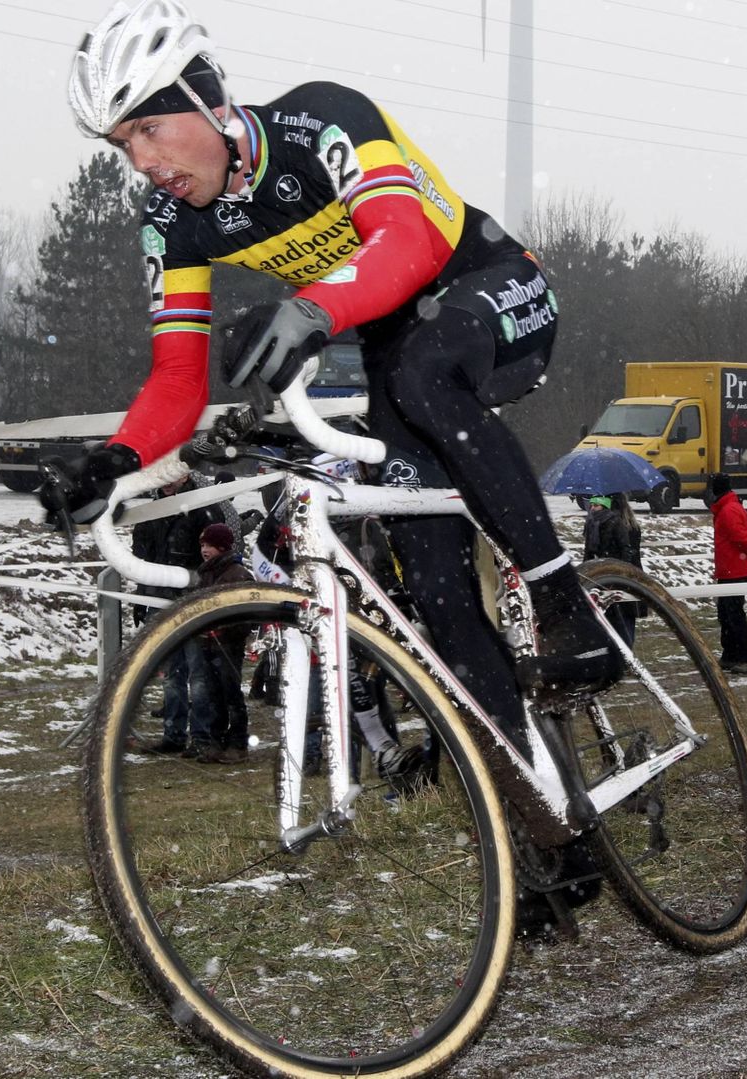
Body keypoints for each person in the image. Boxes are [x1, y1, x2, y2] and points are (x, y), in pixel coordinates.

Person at [47, 0, 616, 770]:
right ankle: (538, 814)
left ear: (207, 98)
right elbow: (179, 376)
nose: (141, 161)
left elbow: (406, 238)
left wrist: (311, 308)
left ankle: (564, 602)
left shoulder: (321, 121)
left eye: (148, 129)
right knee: (438, 589)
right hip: (393, 340)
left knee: (422, 374)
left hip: (487, 283)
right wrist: (117, 460)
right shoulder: (170, 221)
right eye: (123, 145)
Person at [129, 475, 226, 757]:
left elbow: (216, 556)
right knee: (172, 673)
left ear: (185, 474)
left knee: (198, 673)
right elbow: (143, 555)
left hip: (193, 600)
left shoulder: (203, 506)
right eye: (162, 477)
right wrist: (141, 594)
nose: (167, 482)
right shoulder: (153, 508)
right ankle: (173, 734)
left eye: (173, 476)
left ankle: (201, 736)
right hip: (159, 598)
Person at [191, 520, 254, 762]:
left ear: (223, 547)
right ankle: (216, 742)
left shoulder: (238, 575)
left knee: (231, 694)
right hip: (206, 643)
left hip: (228, 646)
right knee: (212, 695)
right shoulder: (205, 573)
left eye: (210, 545)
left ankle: (238, 744)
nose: (205, 550)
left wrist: (225, 630)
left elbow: (247, 615)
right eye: (203, 544)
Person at [709, 473, 747, 675]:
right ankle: (731, 654)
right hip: (731, 568)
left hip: (733, 570)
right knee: (727, 614)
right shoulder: (730, 507)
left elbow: (741, 537)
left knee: (733, 615)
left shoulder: (728, 510)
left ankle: (745, 656)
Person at [581, 493, 642, 647]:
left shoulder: (603, 524)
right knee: (626, 621)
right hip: (628, 577)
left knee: (611, 621)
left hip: (609, 577)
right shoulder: (630, 524)